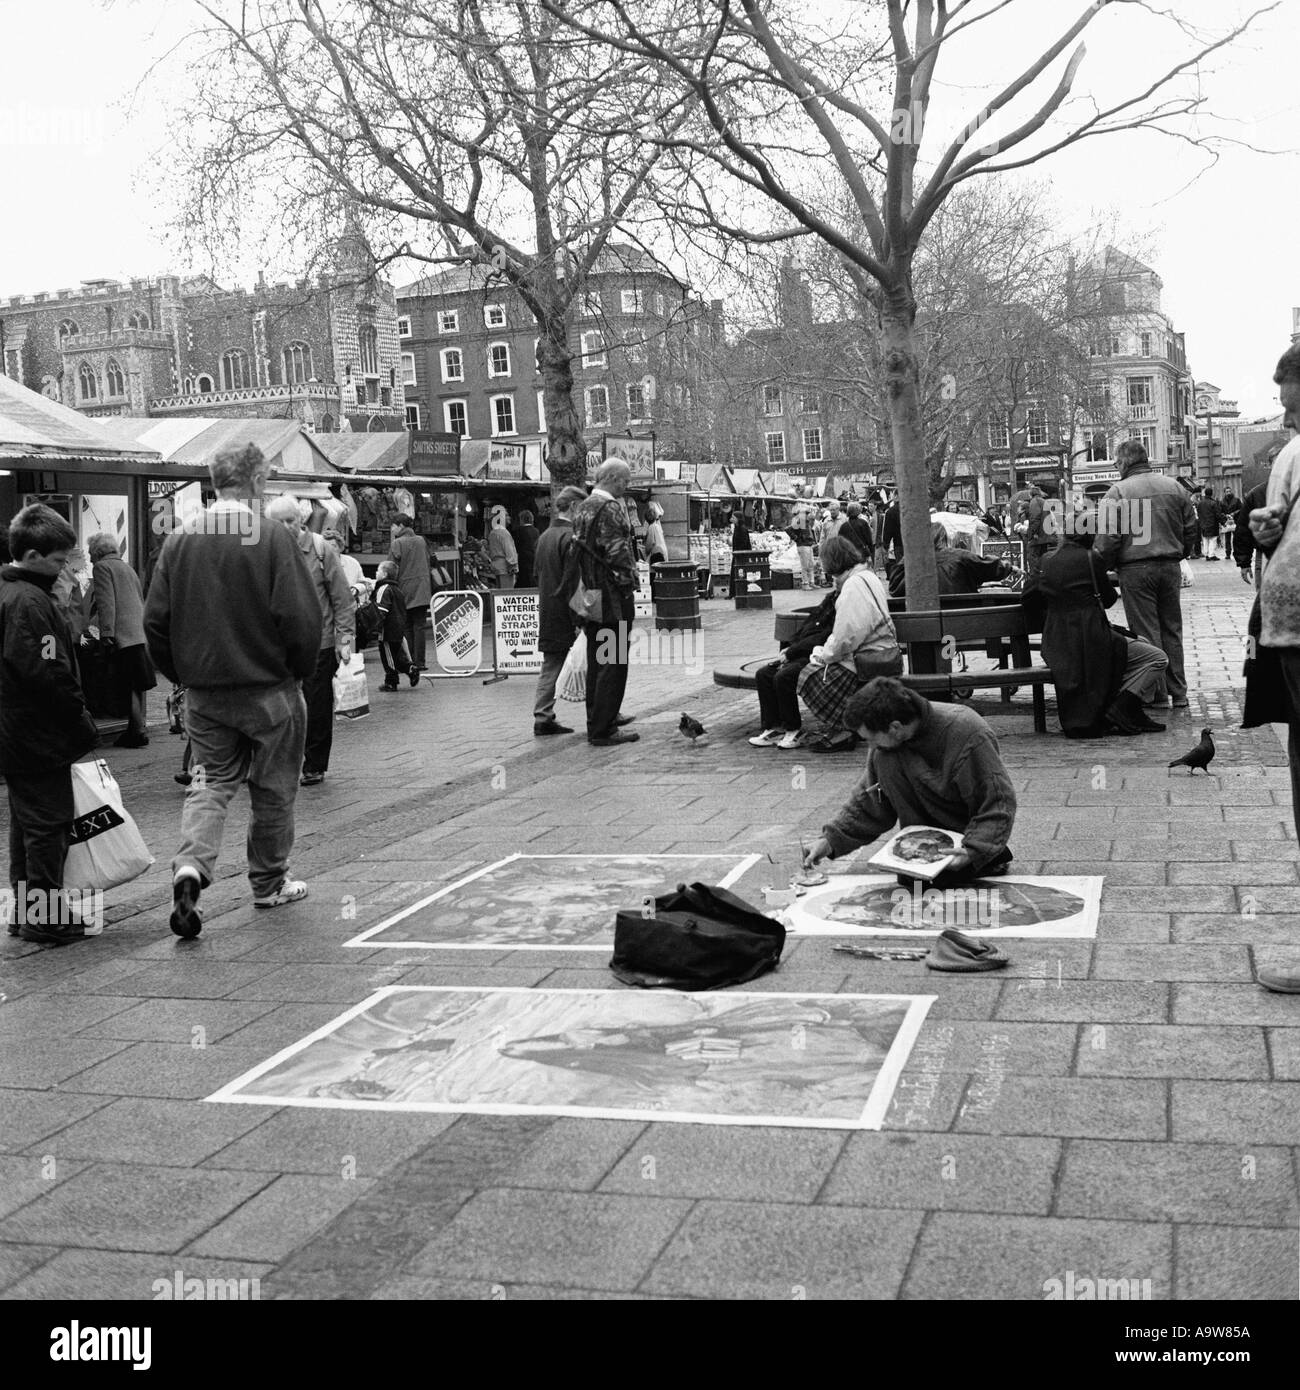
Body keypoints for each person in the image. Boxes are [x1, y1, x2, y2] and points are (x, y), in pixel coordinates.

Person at [143, 444, 321, 938]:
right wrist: (298, 671)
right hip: (270, 688)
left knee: (209, 783)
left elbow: (155, 620)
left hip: (205, 693)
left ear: (214, 481)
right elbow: (302, 619)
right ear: (259, 482)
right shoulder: (270, 537)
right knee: (273, 788)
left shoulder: (179, 541)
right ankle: (267, 883)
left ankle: (190, 866)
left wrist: (182, 673)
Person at [803, 677, 1017, 889]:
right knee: (912, 880)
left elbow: (998, 801)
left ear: (895, 727)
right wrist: (830, 841)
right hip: (919, 844)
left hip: (964, 838)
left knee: (924, 883)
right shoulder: (886, 746)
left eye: (871, 738)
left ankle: (990, 856)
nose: (870, 744)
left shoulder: (966, 732)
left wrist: (975, 848)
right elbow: (870, 801)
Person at [1, 505, 103, 945]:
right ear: (33, 554)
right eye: (60, 561)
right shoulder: (30, 603)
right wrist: (78, 716)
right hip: (35, 734)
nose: (65, 570)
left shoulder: (12, 594)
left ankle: (27, 913)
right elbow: (46, 669)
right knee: (47, 825)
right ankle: (43, 916)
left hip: (16, 732)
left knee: (28, 825)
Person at [1242, 343, 1300, 992]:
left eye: (1291, 403)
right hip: (1288, 639)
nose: (1286, 417)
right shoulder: (1292, 454)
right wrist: (1269, 531)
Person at [1021, 509, 1169, 737]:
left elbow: (1028, 598)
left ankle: (1123, 709)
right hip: (1094, 638)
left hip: (1057, 642)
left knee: (1136, 643)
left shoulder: (1046, 560)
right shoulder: (1092, 559)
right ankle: (1121, 707)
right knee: (1156, 658)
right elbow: (1109, 600)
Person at [1092, 439, 1198, 710]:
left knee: (1146, 632)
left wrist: (1103, 566)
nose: (1116, 467)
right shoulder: (1174, 487)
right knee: (1172, 629)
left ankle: (1158, 694)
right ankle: (1180, 692)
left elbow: (1108, 538)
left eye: (1116, 462)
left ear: (1125, 462)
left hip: (1135, 569)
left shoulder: (1117, 492)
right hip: (1169, 565)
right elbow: (1191, 529)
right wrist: (1179, 553)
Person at [265, 497, 355, 788]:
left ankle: (314, 764)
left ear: (300, 520)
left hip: (320, 642)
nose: (285, 527)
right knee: (279, 706)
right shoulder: (266, 552)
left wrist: (345, 638)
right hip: (278, 646)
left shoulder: (320, 549)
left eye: (289, 520)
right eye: (278, 522)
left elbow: (342, 598)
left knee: (316, 707)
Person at [796, 535, 900, 754]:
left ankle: (844, 728)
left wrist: (825, 654)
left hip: (867, 655)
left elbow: (847, 635)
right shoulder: (866, 576)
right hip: (879, 650)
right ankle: (844, 727)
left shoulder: (853, 586)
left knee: (808, 676)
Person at [572, 460, 639, 746]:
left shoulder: (584, 506)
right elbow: (617, 553)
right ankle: (604, 728)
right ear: (612, 478)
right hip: (612, 595)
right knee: (613, 661)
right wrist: (630, 582)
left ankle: (597, 718)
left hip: (591, 593)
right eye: (624, 480)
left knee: (598, 659)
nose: (626, 485)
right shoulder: (610, 508)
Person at [86, 533, 156, 748]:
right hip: (137, 633)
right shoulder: (127, 567)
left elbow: (106, 603)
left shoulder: (102, 568)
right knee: (136, 683)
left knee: (126, 684)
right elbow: (139, 598)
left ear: (98, 552)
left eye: (90, 553)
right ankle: (137, 727)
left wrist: (106, 634)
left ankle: (137, 731)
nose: (89, 559)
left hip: (122, 635)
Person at [748, 586, 837, 750]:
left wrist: (792, 651)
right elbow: (807, 630)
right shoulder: (829, 600)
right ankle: (773, 727)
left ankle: (792, 728)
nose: (835, 580)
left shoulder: (844, 604)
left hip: (818, 655)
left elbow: (823, 637)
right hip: (801, 652)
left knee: (784, 676)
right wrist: (789, 648)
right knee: (764, 674)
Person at [533, 485, 587, 736]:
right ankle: (602, 712)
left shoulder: (544, 537)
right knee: (593, 661)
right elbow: (574, 581)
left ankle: (543, 715)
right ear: (574, 507)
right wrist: (579, 618)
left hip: (548, 607)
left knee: (551, 664)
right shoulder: (571, 537)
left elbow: (539, 575)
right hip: (566, 610)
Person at [389, 514, 432, 670]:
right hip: (422, 587)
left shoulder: (397, 543)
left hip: (404, 589)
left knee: (407, 625)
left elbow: (391, 568)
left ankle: (410, 661)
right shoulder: (421, 541)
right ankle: (420, 662)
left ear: (400, 526)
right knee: (420, 625)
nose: (392, 529)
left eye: (393, 526)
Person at [372, 560, 417, 692]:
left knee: (388, 657)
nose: (376, 573)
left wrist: (376, 627)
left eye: (378, 570)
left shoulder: (383, 589)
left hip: (387, 631)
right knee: (395, 656)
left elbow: (381, 611)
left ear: (384, 574)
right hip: (398, 629)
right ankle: (410, 669)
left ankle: (391, 682)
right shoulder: (398, 590)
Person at [1025, 479, 1058, 580]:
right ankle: (1044, 579)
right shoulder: (1044, 502)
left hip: (1038, 536)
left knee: (1033, 557)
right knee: (1042, 559)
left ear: (1031, 494)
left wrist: (1032, 533)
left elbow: (1035, 518)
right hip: (1045, 535)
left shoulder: (1034, 502)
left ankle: (1035, 581)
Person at [325, 528, 369, 601]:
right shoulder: (316, 563)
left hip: (348, 605)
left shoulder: (352, 562)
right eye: (326, 546)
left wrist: (356, 589)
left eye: (333, 546)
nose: (330, 549)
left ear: (340, 547)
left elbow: (364, 584)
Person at [787, 495, 817, 589]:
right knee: (805, 565)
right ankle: (805, 583)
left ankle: (811, 582)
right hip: (803, 545)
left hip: (807, 545)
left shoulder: (805, 521)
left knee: (811, 564)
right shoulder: (801, 520)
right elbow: (788, 529)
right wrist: (796, 538)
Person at [486, 516, 520, 589]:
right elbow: (509, 550)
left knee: (500, 592)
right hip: (505, 567)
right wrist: (513, 565)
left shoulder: (492, 532)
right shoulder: (504, 533)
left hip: (496, 565)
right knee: (507, 594)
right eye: (507, 515)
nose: (509, 518)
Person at [839, 501, 876, 566]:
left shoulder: (843, 526)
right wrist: (871, 552)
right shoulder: (863, 523)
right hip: (861, 553)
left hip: (849, 554)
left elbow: (840, 541)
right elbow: (868, 539)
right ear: (858, 511)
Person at [512, 510, 540, 588]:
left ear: (521, 519)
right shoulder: (536, 531)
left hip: (522, 559)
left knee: (523, 580)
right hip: (534, 558)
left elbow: (515, 546)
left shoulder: (518, 531)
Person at [1196, 488, 1223, 560]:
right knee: (1213, 539)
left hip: (1203, 524)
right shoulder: (1213, 503)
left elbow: (1198, 513)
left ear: (1205, 493)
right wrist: (1222, 522)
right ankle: (1211, 555)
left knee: (1205, 539)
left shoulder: (1200, 503)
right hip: (1212, 524)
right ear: (1211, 494)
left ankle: (1206, 554)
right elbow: (1217, 514)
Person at [643, 501, 668, 566]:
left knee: (655, 573)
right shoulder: (658, 526)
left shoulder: (651, 527)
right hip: (663, 553)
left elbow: (650, 543)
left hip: (657, 554)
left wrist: (646, 551)